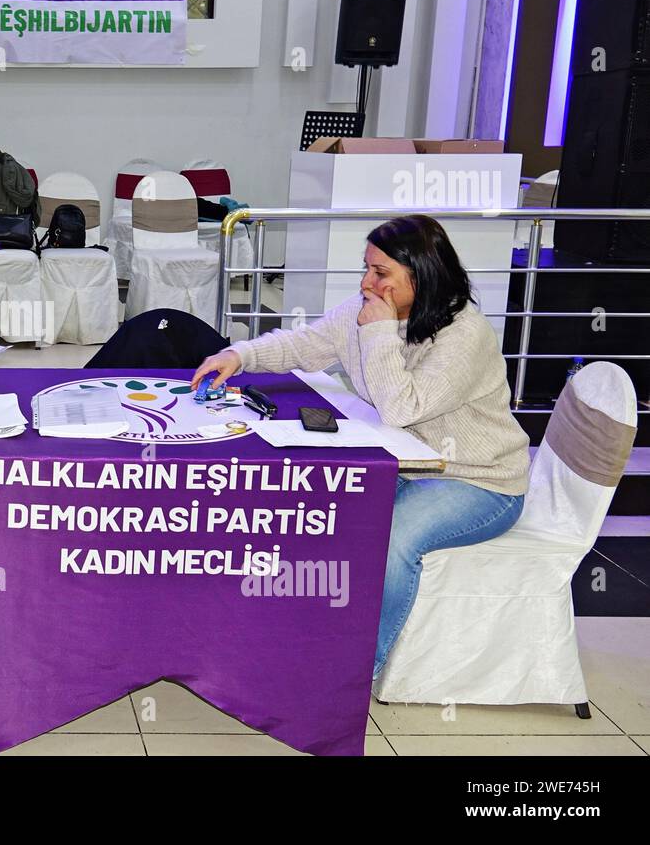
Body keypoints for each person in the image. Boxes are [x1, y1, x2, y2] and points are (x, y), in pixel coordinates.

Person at [190, 214, 530, 678]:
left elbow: (401, 407)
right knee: (313, 511)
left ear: (422, 275)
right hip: (404, 466)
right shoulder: (368, 308)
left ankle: (350, 674)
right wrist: (240, 355)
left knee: (392, 539)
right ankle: (298, 633)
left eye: (381, 273)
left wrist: (378, 332)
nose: (367, 282)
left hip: (477, 481)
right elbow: (305, 345)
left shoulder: (463, 334)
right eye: (367, 268)